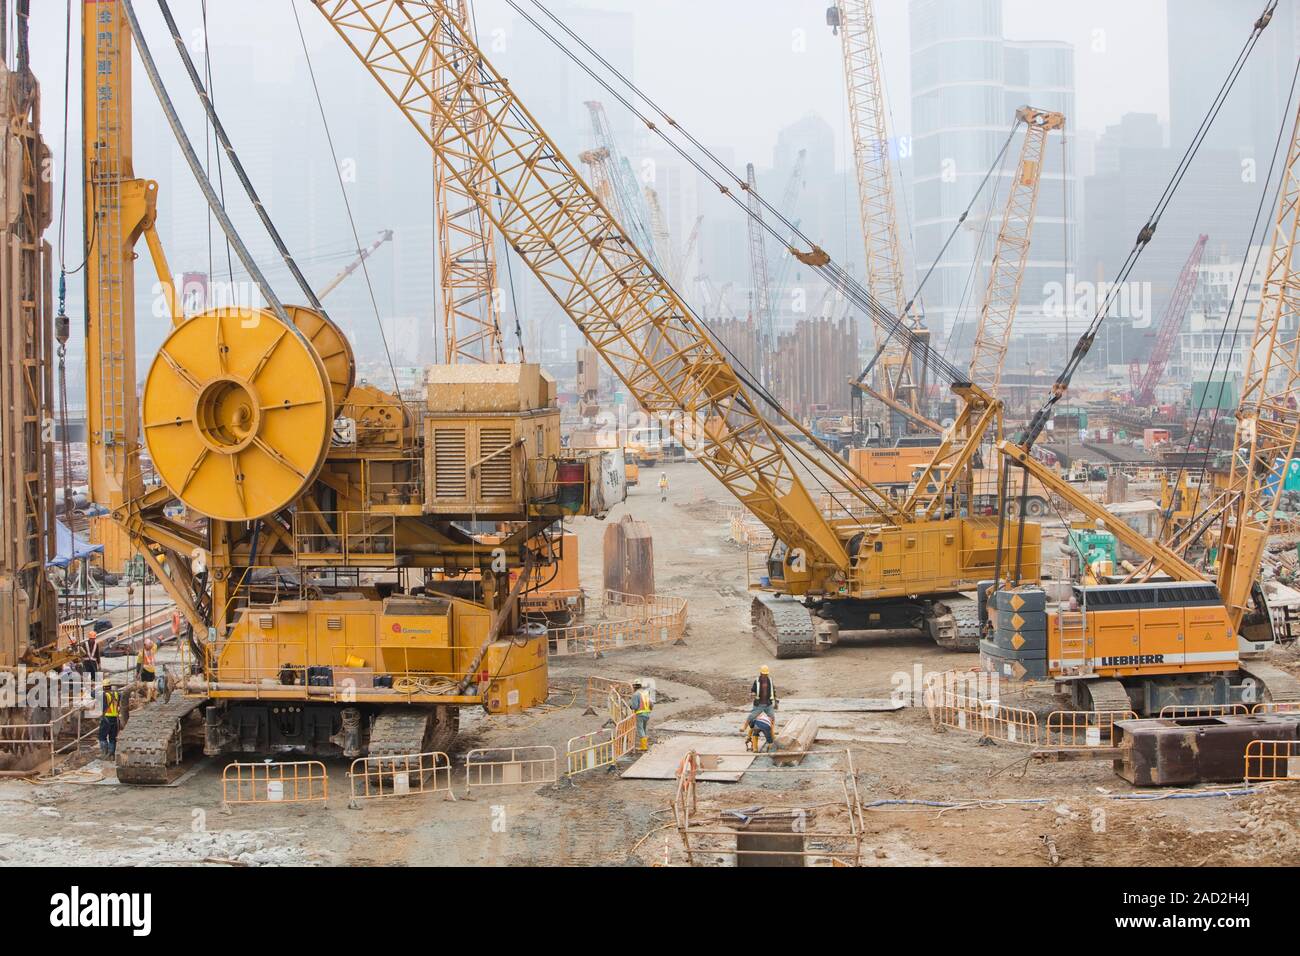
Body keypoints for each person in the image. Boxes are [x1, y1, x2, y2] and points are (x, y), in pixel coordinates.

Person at [99, 684, 122, 758]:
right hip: (115, 718)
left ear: (103, 687)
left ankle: (104, 754)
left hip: (106, 718)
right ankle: (111, 755)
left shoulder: (103, 695)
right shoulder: (117, 694)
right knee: (112, 737)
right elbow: (121, 696)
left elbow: (92, 694)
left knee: (102, 737)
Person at [631, 680, 653, 752]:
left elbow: (634, 706)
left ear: (634, 687)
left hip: (640, 714)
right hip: (647, 714)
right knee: (644, 729)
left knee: (640, 730)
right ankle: (645, 745)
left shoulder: (636, 694)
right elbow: (651, 704)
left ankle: (644, 747)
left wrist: (630, 706)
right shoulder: (646, 693)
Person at [138, 638, 158, 703]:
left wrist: (158, 639)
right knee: (146, 685)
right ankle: (147, 697)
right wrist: (138, 673)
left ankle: (152, 697)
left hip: (152, 670)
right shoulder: (141, 653)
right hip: (145, 671)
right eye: (148, 646)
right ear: (144, 645)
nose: (150, 647)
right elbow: (138, 663)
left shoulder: (153, 649)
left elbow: (156, 644)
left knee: (152, 685)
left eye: (150, 646)